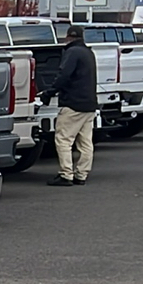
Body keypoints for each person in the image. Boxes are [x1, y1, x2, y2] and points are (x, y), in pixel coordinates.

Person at [38, 25, 99, 186]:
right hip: (90, 104)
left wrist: (49, 93)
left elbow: (64, 76)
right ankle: (82, 174)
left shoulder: (72, 52)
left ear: (68, 37)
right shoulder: (88, 52)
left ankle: (66, 174)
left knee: (63, 139)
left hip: (73, 103)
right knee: (85, 142)